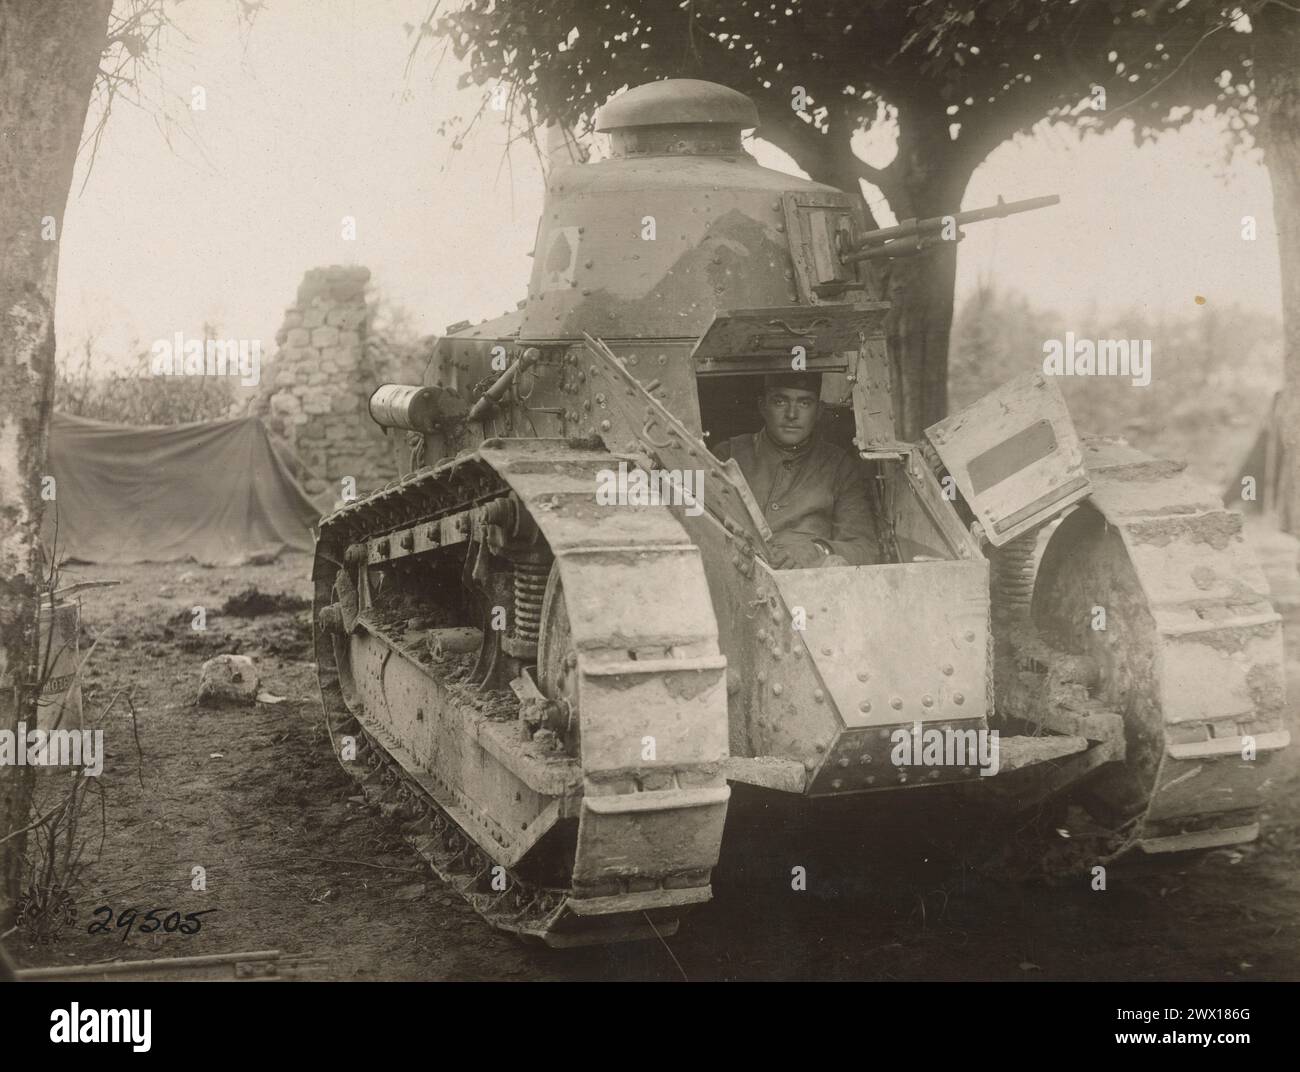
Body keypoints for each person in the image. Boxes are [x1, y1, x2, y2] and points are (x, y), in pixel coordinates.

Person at [712, 372, 881, 569]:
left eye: (804, 403)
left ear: (819, 411)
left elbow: (864, 548)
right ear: (762, 406)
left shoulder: (839, 466)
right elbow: (701, 524)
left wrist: (818, 550)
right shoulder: (729, 454)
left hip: (809, 582)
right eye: (780, 402)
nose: (792, 414)